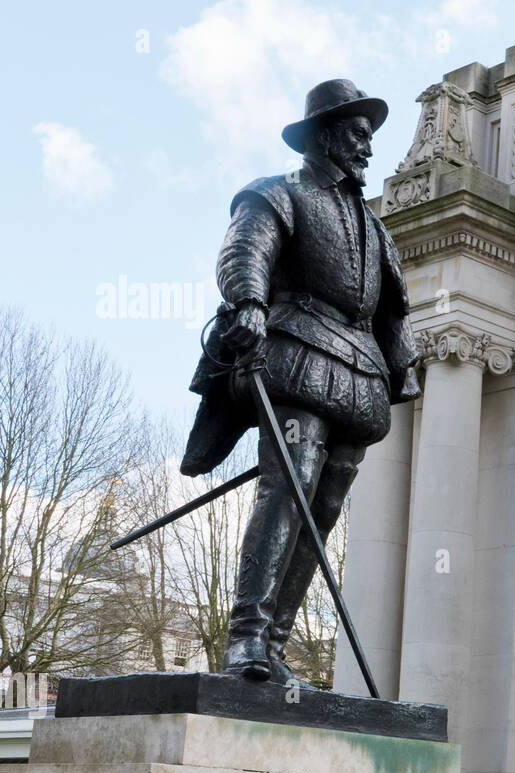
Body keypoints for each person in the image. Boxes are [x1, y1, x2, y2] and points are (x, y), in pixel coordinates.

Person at [179, 79, 420, 685]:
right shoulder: (278, 193)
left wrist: (404, 363)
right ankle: (246, 639)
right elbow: (245, 249)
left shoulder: (374, 225)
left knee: (326, 506)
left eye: (370, 138)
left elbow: (391, 303)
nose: (368, 148)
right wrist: (250, 303)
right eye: (358, 135)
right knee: (290, 484)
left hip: (359, 369)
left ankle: (276, 646)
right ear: (325, 135)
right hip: (295, 350)